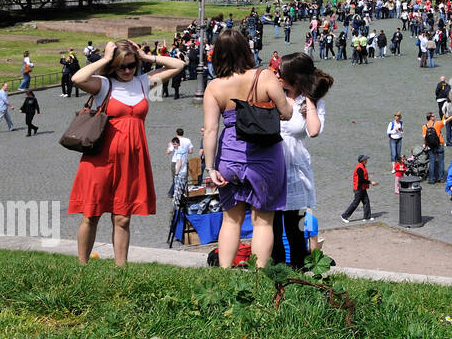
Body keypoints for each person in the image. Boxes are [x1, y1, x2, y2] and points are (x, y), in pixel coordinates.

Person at [69, 39, 185, 265]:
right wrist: (104, 58)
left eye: (131, 65)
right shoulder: (103, 84)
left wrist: (146, 56)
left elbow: (178, 65)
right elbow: (77, 78)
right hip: (101, 158)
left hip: (131, 159)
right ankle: (82, 267)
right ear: (113, 66)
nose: (127, 70)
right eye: (121, 66)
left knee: (122, 217)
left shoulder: (143, 82)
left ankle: (120, 268)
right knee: (91, 214)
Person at [201, 30, 294, 267]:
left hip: (230, 157)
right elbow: (286, 112)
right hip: (264, 157)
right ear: (246, 49)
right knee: (262, 221)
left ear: (218, 54)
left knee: (231, 219)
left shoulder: (214, 87)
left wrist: (211, 168)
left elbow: (210, 130)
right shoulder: (264, 77)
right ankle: (259, 276)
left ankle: (224, 273)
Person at [274, 53, 329, 266]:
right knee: (272, 223)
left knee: (292, 222)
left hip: (294, 166)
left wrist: (309, 99)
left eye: (281, 72)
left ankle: (298, 266)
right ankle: (276, 266)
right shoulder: (274, 94)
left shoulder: (311, 102)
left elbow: (313, 130)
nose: (277, 75)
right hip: (272, 161)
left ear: (295, 78)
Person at [341, 154, 377, 223]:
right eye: (366, 159)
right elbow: (361, 180)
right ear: (362, 160)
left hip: (362, 188)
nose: (367, 160)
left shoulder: (362, 166)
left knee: (366, 201)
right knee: (355, 203)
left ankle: (367, 217)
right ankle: (344, 216)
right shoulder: (359, 168)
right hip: (358, 188)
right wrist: (370, 182)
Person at [422, 113, 445, 183]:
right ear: (430, 117)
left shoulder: (424, 126)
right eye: (433, 116)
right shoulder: (437, 123)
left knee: (432, 162)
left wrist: (425, 144)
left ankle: (431, 179)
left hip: (430, 146)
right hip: (439, 144)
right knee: (440, 162)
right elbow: (446, 121)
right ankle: (440, 178)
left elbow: (424, 137)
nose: (435, 117)